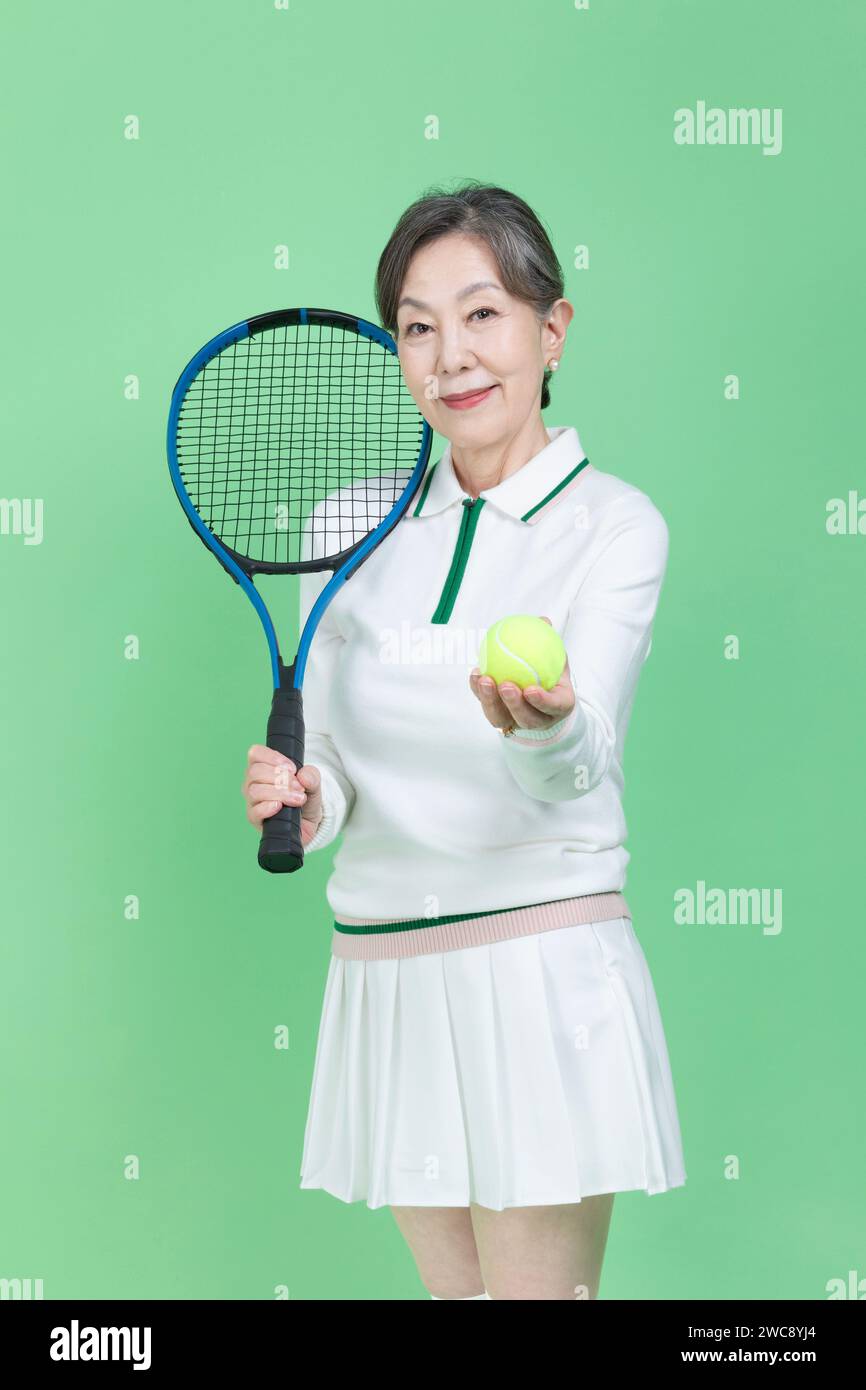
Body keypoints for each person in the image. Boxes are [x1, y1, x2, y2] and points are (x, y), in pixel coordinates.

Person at [241, 181, 686, 1300]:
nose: (451, 356)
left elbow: (579, 763)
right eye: (416, 325)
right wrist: (306, 797)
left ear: (552, 327)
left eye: (481, 313)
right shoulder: (345, 526)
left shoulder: (614, 524)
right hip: (385, 966)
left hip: (539, 965)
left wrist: (539, 729)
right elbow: (336, 766)